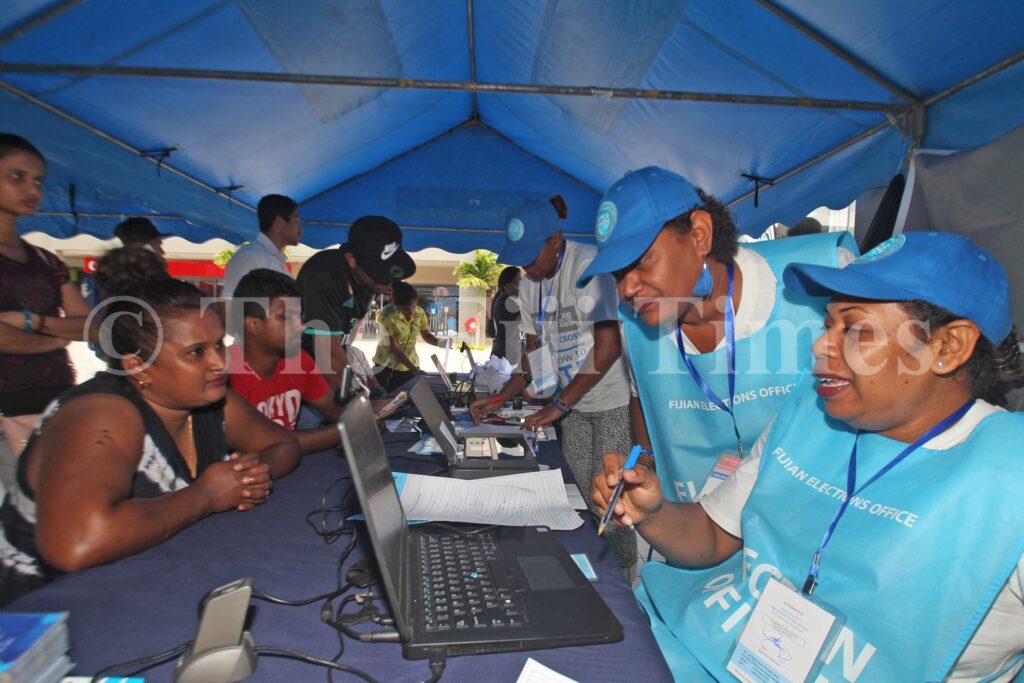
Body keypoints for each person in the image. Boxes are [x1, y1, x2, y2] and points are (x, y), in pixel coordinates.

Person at [594, 232, 1024, 682]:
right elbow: (712, 536)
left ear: (949, 347)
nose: (821, 346)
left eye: (855, 329)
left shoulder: (1008, 475)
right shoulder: (807, 414)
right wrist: (654, 513)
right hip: (699, 647)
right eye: (827, 324)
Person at [0, 272, 301, 605]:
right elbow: (76, 546)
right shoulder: (100, 415)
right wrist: (206, 496)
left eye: (219, 345)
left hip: (140, 583)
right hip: (38, 612)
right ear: (138, 368)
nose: (219, 363)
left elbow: (283, 445)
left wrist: (248, 474)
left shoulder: (209, 400)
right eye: (196, 353)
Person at [577, 167, 856, 504]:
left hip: (810, 529)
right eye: (618, 274)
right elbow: (643, 397)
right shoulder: (634, 325)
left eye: (642, 261)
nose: (627, 288)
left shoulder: (826, 278)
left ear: (700, 235)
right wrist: (644, 463)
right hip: (695, 532)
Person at [470, 197, 635, 571]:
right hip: (571, 405)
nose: (526, 266)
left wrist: (558, 406)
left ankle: (626, 583)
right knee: (581, 495)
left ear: (557, 239)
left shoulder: (588, 267)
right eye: (520, 257)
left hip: (610, 400)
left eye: (532, 254)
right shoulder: (529, 284)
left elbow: (608, 348)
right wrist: (502, 399)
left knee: (611, 499)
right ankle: (597, 571)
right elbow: (533, 357)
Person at [0, 134, 95, 492]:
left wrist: (34, 322)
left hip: (55, 400)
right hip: (4, 408)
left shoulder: (44, 260)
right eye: (16, 176)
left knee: (56, 503)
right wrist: (57, 339)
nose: (32, 188)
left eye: (38, 181)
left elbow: (91, 326)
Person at [229, 269, 343, 454]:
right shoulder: (224, 375)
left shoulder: (298, 360)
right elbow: (273, 444)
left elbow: (331, 408)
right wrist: (347, 430)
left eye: (299, 316)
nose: (301, 326)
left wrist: (361, 415)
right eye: (287, 317)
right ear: (253, 324)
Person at [296, 215, 415, 390]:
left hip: (326, 371)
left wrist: (361, 383)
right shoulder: (323, 275)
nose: (389, 284)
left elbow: (342, 345)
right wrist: (359, 401)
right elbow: (327, 353)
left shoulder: (367, 280)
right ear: (352, 259)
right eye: (380, 275)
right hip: (297, 375)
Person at [221, 194, 301, 299]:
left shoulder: (276, 260)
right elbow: (228, 304)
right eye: (296, 221)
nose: (300, 229)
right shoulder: (250, 257)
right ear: (280, 223)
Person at [372, 281, 446, 392]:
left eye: (414, 306)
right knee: (388, 402)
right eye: (406, 309)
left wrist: (442, 343)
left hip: (410, 366)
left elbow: (426, 335)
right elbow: (394, 347)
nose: (411, 312)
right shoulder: (386, 315)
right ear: (396, 305)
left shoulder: (420, 313)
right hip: (387, 368)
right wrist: (415, 370)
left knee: (412, 400)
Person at [487, 265, 522, 361]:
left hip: (501, 351)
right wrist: (518, 293)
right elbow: (524, 317)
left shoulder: (499, 297)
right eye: (519, 278)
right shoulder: (508, 301)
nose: (522, 282)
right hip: (507, 354)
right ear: (511, 281)